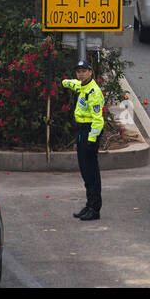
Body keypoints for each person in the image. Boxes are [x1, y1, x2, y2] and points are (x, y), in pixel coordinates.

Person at [62, 58, 105, 220]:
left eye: (83, 71)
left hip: (89, 132)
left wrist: (91, 140)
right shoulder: (82, 85)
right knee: (85, 171)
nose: (80, 74)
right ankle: (89, 205)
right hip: (82, 130)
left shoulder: (93, 92)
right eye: (78, 71)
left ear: (90, 72)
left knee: (91, 172)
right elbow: (74, 84)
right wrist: (64, 82)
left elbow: (98, 120)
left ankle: (94, 208)